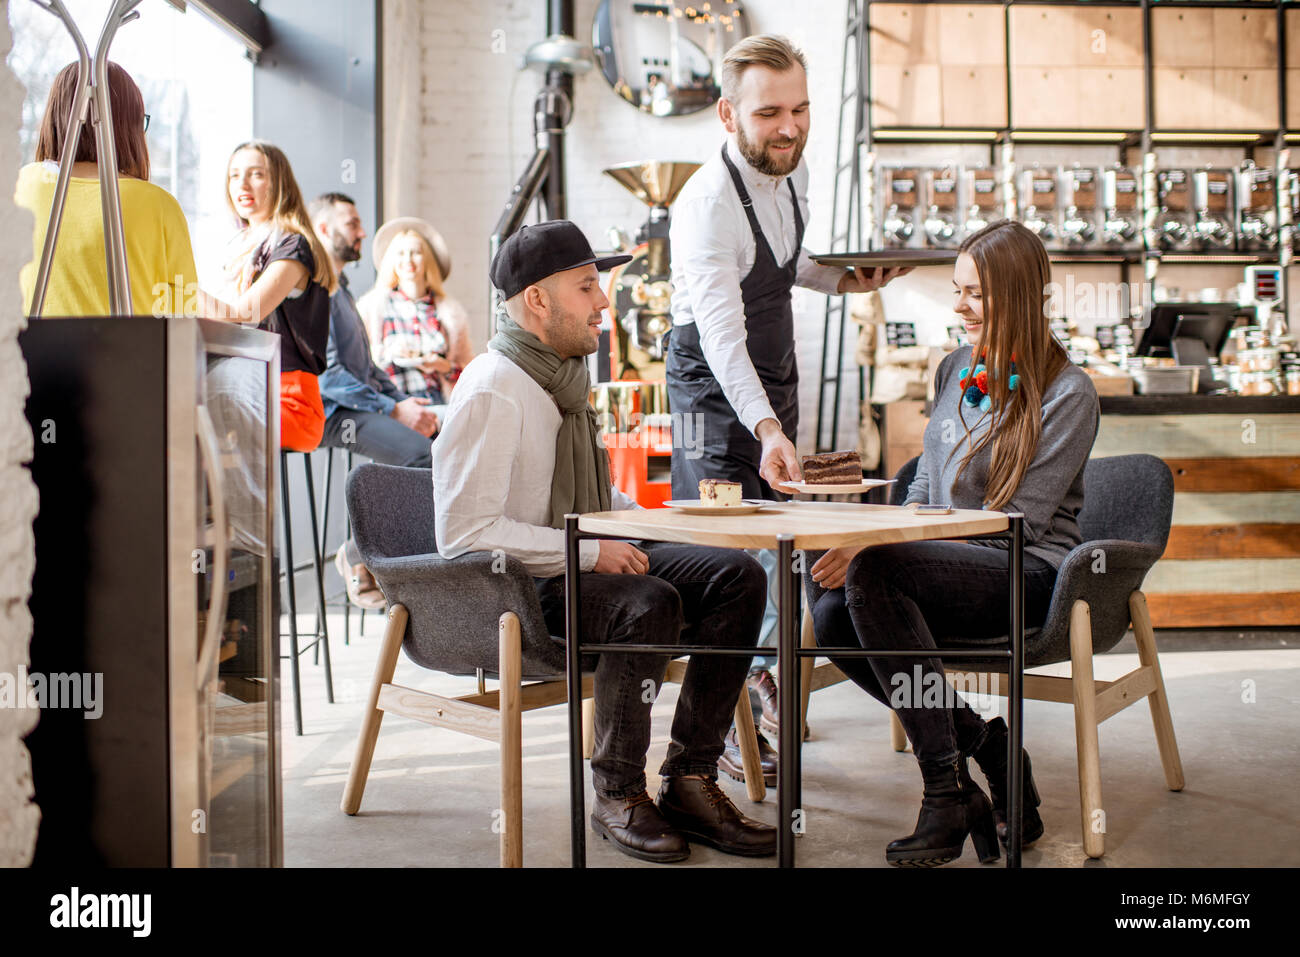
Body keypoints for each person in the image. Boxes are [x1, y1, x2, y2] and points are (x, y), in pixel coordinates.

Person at [434, 220, 776, 863]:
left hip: (572, 563)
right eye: (588, 287)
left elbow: (597, 505)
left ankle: (690, 780)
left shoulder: (562, 381)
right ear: (538, 300)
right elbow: (465, 533)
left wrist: (666, 521)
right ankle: (618, 792)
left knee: (738, 575)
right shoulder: (492, 388)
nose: (603, 304)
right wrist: (592, 553)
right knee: (647, 601)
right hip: (521, 591)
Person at [808, 220, 1100, 865]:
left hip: (1024, 571)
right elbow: (922, 491)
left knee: (874, 572)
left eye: (976, 294)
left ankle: (945, 792)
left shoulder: (1067, 392)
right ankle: (986, 747)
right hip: (945, 562)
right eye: (958, 289)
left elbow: (1012, 520)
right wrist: (866, 540)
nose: (959, 305)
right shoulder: (955, 369)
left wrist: (881, 552)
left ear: (1022, 296)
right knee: (826, 594)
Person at [664, 34, 909, 778]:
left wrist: (848, 280)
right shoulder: (705, 203)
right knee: (727, 558)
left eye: (801, 109)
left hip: (773, 374)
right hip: (712, 387)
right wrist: (765, 425)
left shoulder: (788, 176)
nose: (792, 127)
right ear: (727, 114)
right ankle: (716, 734)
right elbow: (721, 335)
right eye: (771, 112)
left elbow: (785, 264)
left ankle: (763, 689)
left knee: (779, 540)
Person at [308, 193, 440, 607]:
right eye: (352, 223)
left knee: (445, 447)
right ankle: (360, 554)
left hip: (362, 404)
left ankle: (410, 571)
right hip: (334, 413)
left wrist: (405, 402)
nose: (362, 232)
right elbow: (330, 377)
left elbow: (366, 369)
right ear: (325, 230)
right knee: (422, 458)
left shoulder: (341, 290)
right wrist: (394, 409)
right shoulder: (315, 290)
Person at [17, 61, 197, 318]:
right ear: (130, 126)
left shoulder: (19, 186)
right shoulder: (159, 205)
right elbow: (182, 313)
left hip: (30, 356)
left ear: (54, 119)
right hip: (132, 356)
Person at [208, 141, 336, 453]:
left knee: (194, 421)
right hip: (244, 386)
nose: (242, 183)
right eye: (234, 175)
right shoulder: (234, 248)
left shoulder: (293, 245)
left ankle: (226, 503)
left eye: (256, 174)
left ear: (278, 183)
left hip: (288, 400)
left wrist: (175, 288)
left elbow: (245, 312)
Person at [357, 217, 473, 412]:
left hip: (439, 405)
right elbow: (359, 363)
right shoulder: (372, 307)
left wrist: (444, 366)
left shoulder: (451, 312)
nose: (408, 260)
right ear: (391, 260)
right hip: (393, 406)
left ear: (427, 260)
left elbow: (470, 374)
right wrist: (388, 354)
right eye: (400, 253)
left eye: (415, 253)